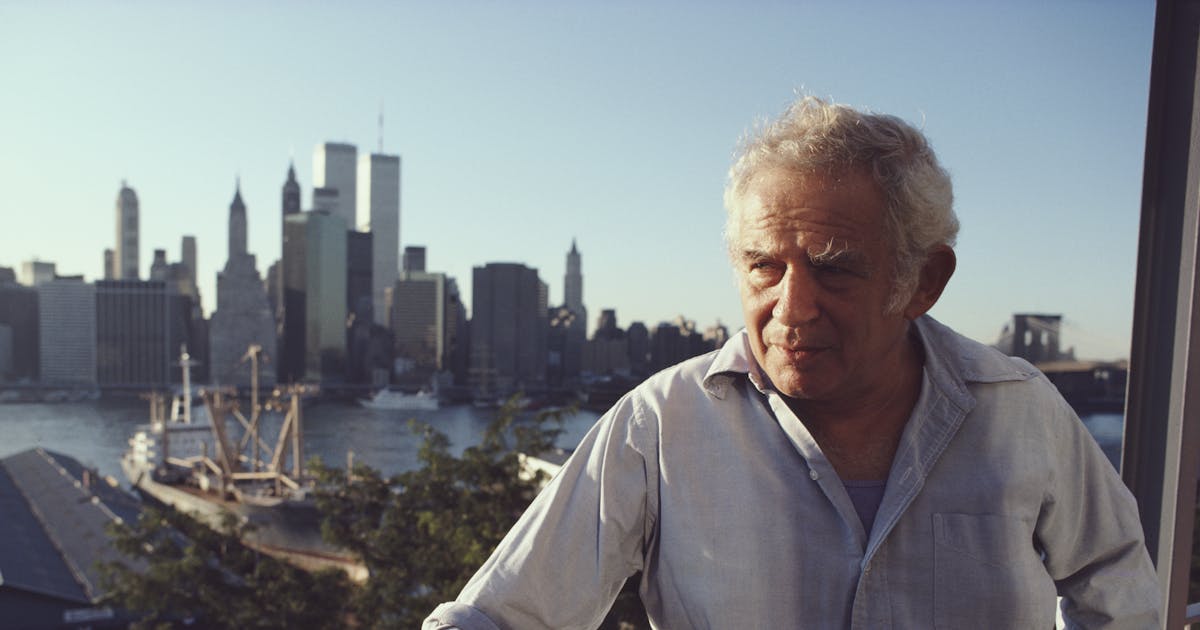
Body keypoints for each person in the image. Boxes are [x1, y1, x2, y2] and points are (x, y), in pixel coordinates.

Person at [424, 96, 1160, 629]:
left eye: (834, 268)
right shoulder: (659, 426)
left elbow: (1117, 589)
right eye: (763, 266)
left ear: (923, 281)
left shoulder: (1021, 411)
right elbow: (499, 618)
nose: (792, 308)